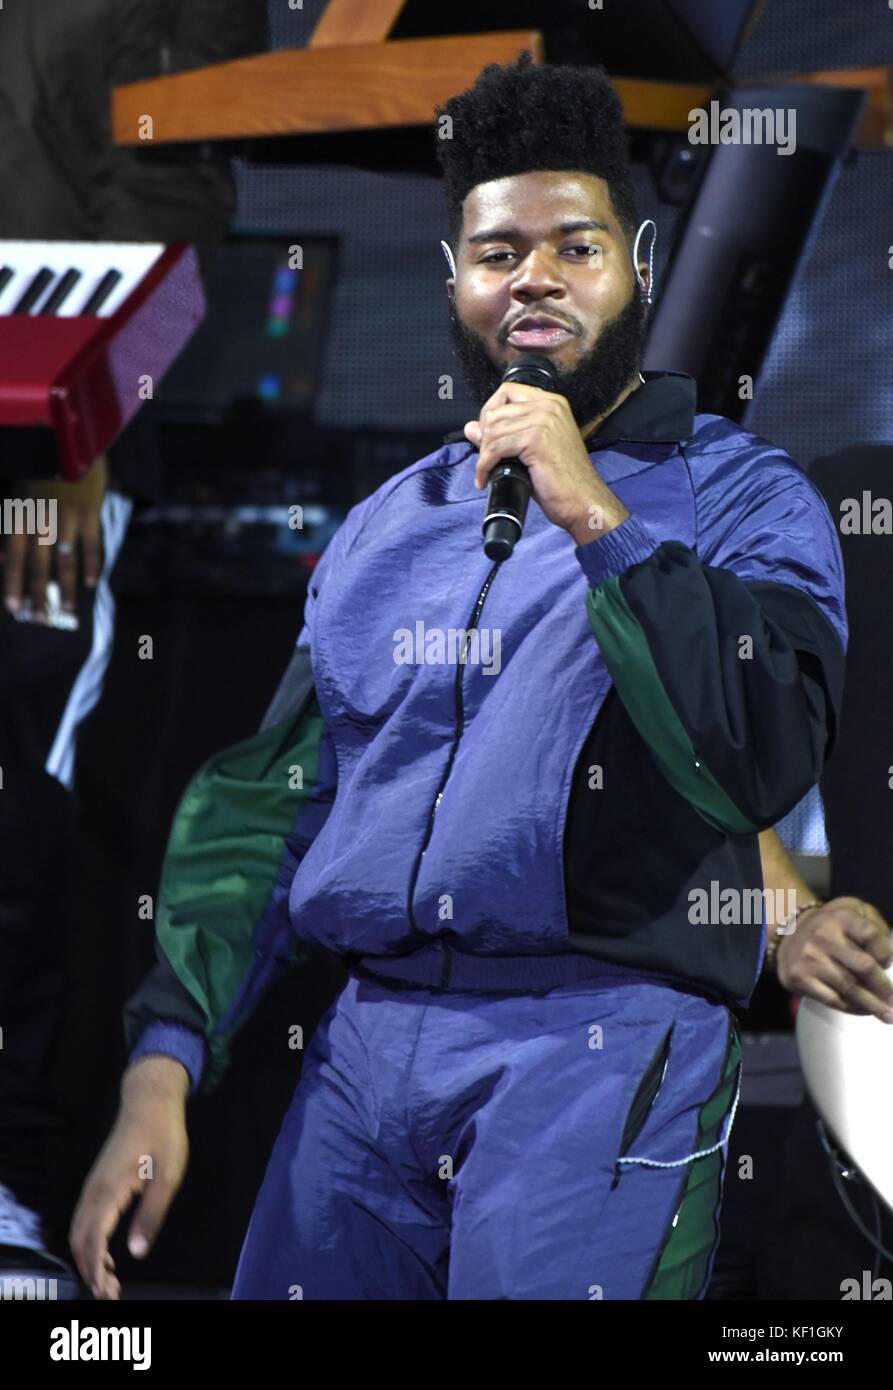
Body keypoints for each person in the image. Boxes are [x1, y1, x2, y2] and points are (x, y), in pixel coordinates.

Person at [70, 55, 877, 1301]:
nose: (534, 279)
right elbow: (273, 802)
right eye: (499, 253)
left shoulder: (744, 499)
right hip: (361, 1058)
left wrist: (593, 514)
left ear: (640, 267)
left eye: (574, 245)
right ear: (454, 283)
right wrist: (161, 1063)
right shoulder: (391, 524)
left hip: (599, 1043)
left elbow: (759, 748)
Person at [0, 0, 267, 1283]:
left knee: (13, 808)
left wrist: (71, 440)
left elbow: (168, 203)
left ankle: (3, 1177)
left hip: (39, 448)